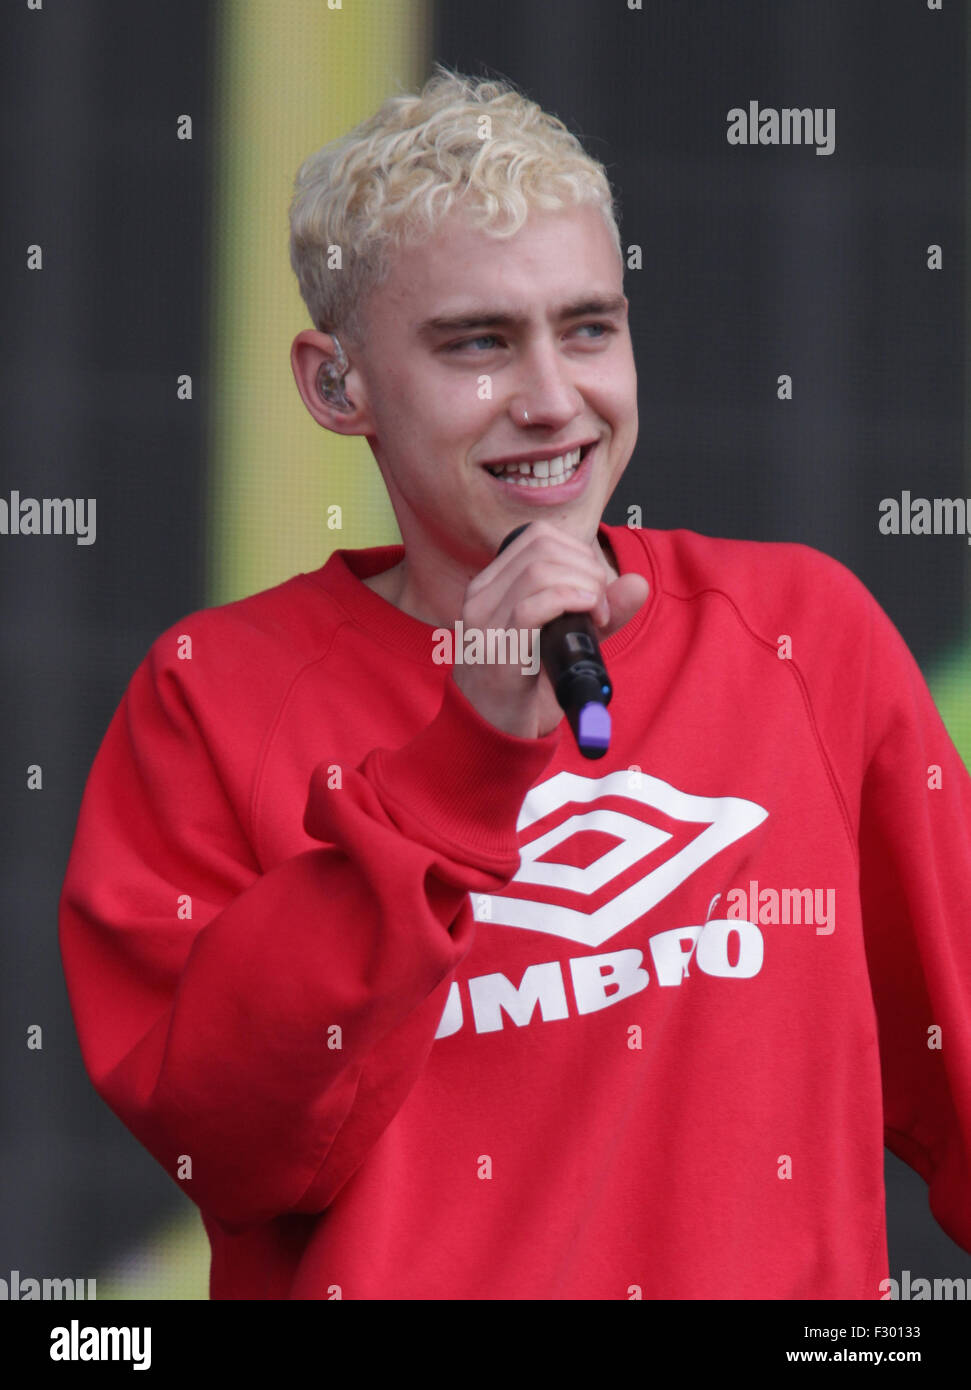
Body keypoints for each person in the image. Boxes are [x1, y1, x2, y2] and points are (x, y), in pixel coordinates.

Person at [59, 66, 971, 1301]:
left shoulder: (800, 634)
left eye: (587, 327)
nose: (552, 401)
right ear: (338, 386)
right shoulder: (211, 696)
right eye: (478, 343)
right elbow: (231, 1146)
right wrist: (466, 757)